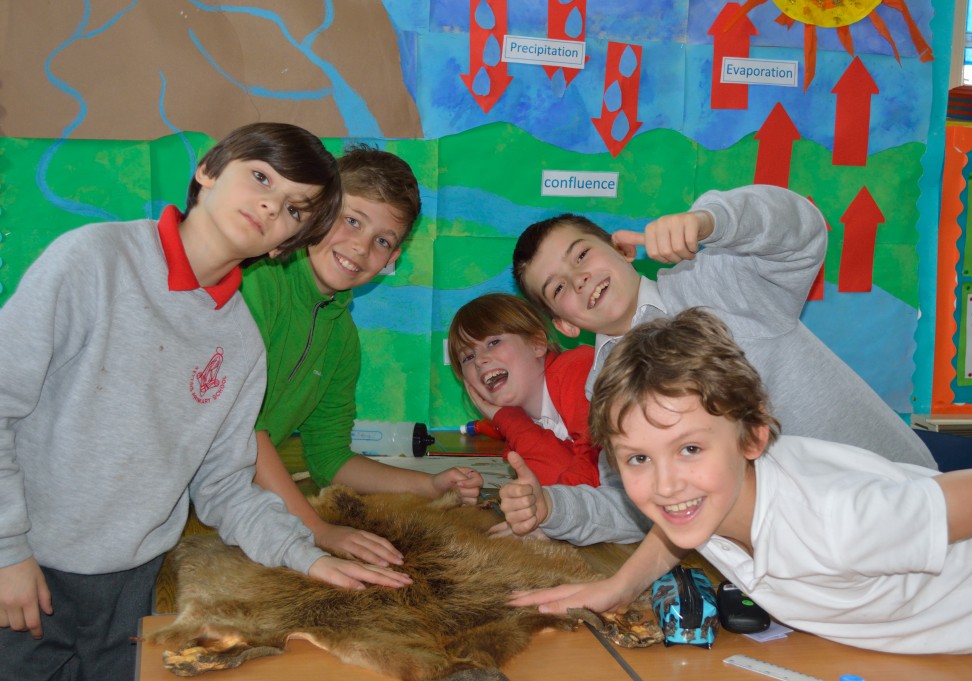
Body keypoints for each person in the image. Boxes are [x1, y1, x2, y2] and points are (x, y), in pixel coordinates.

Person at [0, 123, 411, 681]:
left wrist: (306, 554)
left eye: (294, 209)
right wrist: (7, 551)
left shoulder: (241, 342)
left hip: (132, 581)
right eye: (261, 177)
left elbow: (223, 486)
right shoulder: (93, 260)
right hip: (28, 569)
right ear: (209, 170)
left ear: (289, 241)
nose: (270, 204)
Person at [510, 308, 972, 657]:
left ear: (753, 436)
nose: (666, 486)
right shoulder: (711, 497)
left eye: (690, 448)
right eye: (638, 458)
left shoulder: (838, 522)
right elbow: (675, 526)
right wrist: (619, 585)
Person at [500, 184, 938, 546]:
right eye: (558, 288)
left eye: (581, 256)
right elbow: (635, 506)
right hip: (804, 552)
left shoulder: (712, 278)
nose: (579, 279)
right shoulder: (604, 388)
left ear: (622, 250)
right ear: (564, 324)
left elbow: (803, 232)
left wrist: (711, 221)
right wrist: (554, 509)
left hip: (905, 505)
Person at [241, 144, 484, 567]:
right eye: (351, 220)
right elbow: (241, 429)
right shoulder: (258, 282)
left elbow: (331, 459)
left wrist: (429, 486)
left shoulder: (343, 340)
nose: (359, 247)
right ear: (318, 208)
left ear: (391, 259)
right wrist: (317, 529)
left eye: (382, 240)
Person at [447, 292, 601, 487]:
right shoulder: (518, 430)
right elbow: (553, 486)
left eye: (493, 342)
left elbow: (587, 484)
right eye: (467, 357)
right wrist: (510, 421)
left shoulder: (579, 369)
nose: (479, 360)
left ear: (537, 344)